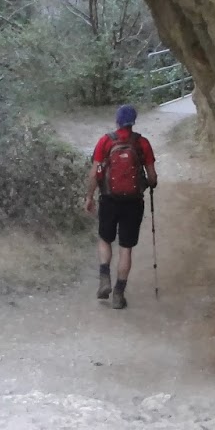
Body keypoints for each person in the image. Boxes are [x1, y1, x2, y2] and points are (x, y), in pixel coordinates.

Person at [84, 103, 157, 309]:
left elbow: (94, 173)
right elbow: (151, 176)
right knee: (126, 248)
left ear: (117, 121)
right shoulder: (142, 143)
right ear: (133, 122)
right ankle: (118, 294)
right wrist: (151, 183)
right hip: (133, 202)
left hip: (109, 199)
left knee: (105, 239)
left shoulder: (106, 141)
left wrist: (89, 196)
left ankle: (104, 277)